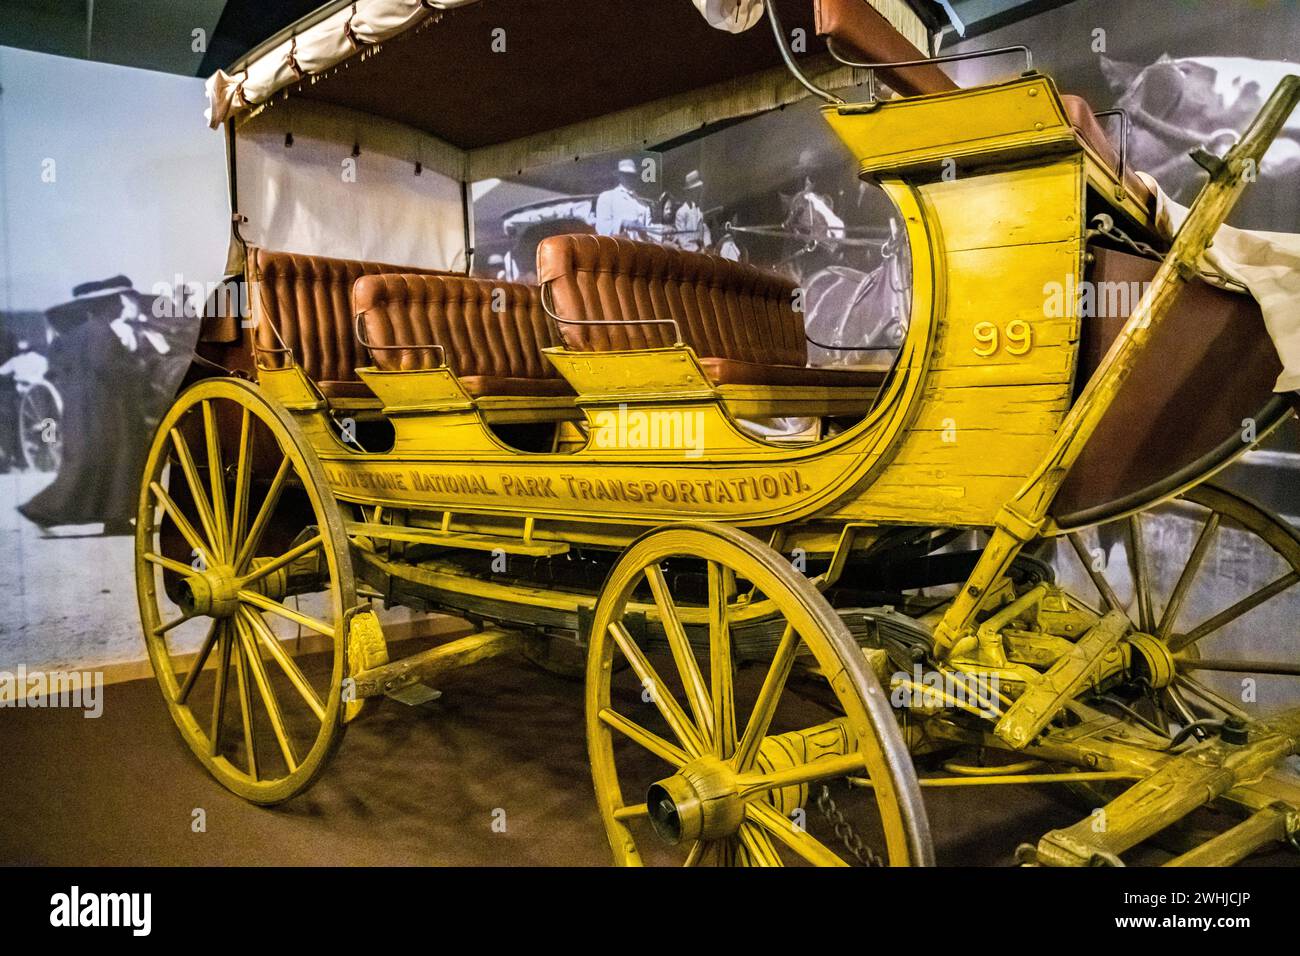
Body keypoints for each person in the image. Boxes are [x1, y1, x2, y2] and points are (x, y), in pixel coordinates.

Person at [18, 278, 153, 535]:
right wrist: (137, 369)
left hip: (83, 408)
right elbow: (106, 366)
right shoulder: (101, 332)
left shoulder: (77, 334)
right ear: (106, 306)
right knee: (120, 459)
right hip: (106, 409)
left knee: (95, 463)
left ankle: (112, 518)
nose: (120, 307)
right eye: (116, 302)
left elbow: (60, 369)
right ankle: (53, 512)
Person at [595, 158, 652, 238]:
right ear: (619, 176)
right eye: (626, 175)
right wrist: (622, 223)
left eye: (632, 175)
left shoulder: (643, 205)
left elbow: (650, 234)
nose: (629, 178)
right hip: (617, 248)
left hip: (641, 248)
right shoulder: (607, 197)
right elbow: (601, 228)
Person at [674, 170, 712, 252]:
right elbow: (682, 238)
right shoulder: (681, 213)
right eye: (695, 191)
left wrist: (707, 244)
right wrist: (697, 250)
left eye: (699, 191)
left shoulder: (698, 211)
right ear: (689, 192)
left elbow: (704, 229)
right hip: (689, 253)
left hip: (702, 249)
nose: (698, 194)